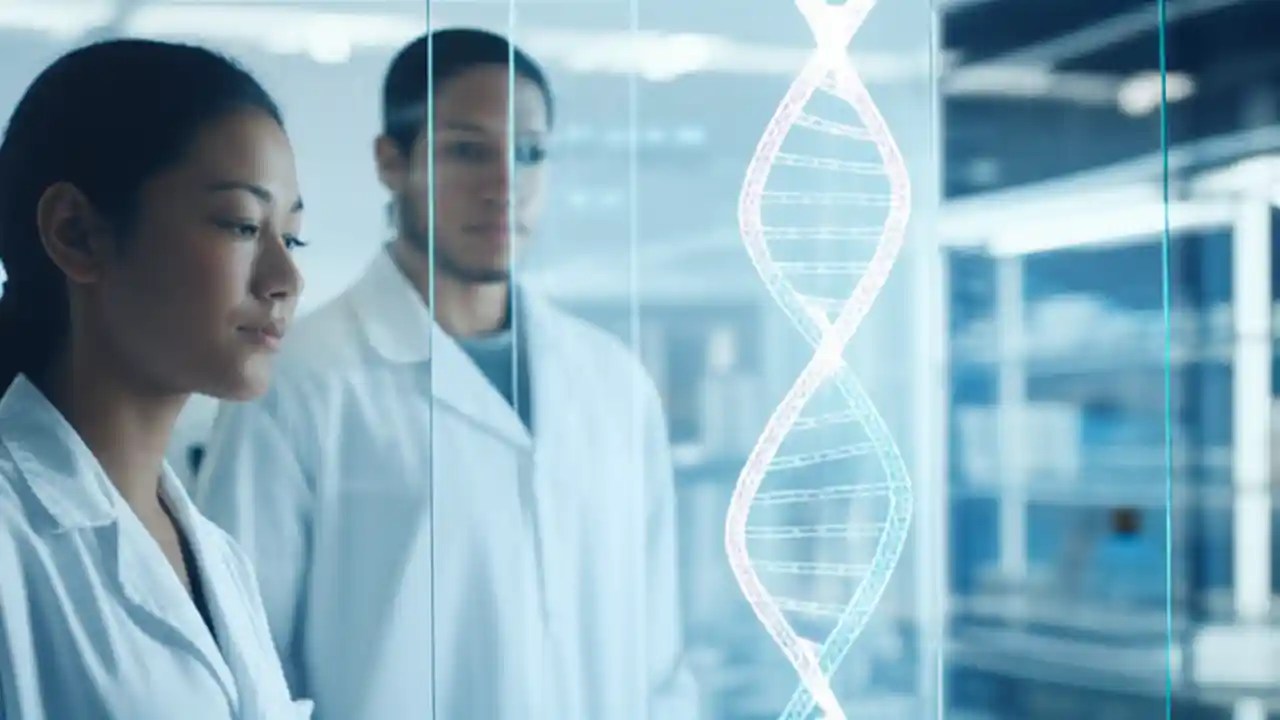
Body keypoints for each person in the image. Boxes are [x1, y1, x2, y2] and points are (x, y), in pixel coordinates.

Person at [195, 27, 700, 719]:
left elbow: (659, 666)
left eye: (529, 153)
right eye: (467, 150)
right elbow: (246, 674)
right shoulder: (298, 382)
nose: (505, 185)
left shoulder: (615, 384)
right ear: (391, 161)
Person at [0, 39, 311, 719]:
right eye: (241, 224)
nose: (285, 280)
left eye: (292, 237)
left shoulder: (217, 558)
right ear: (76, 233)